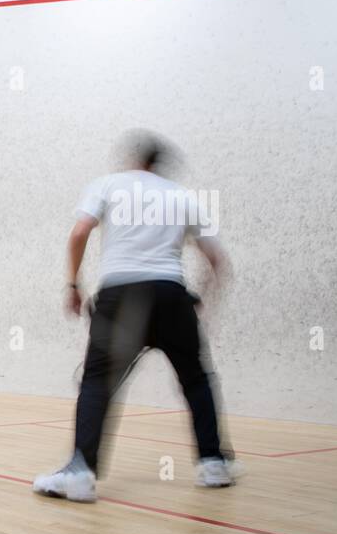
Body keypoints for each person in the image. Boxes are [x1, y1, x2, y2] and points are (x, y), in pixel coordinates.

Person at [33, 130, 237, 503]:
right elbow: (217, 261)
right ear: (159, 165)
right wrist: (201, 303)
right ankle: (213, 464)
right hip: (172, 295)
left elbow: (79, 232)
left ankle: (81, 473)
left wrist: (73, 284)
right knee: (196, 379)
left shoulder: (108, 185)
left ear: (134, 160)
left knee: (98, 382)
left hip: (122, 297)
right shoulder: (182, 196)